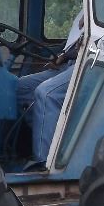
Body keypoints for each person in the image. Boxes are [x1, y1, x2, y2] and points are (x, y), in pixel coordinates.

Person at [15, 13, 86, 167]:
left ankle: (44, 162)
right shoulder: (84, 10)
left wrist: (65, 55)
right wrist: (61, 55)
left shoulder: (100, 7)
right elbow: (73, 43)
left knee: (46, 93)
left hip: (85, 64)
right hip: (68, 64)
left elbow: (94, 42)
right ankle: (50, 139)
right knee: (20, 87)